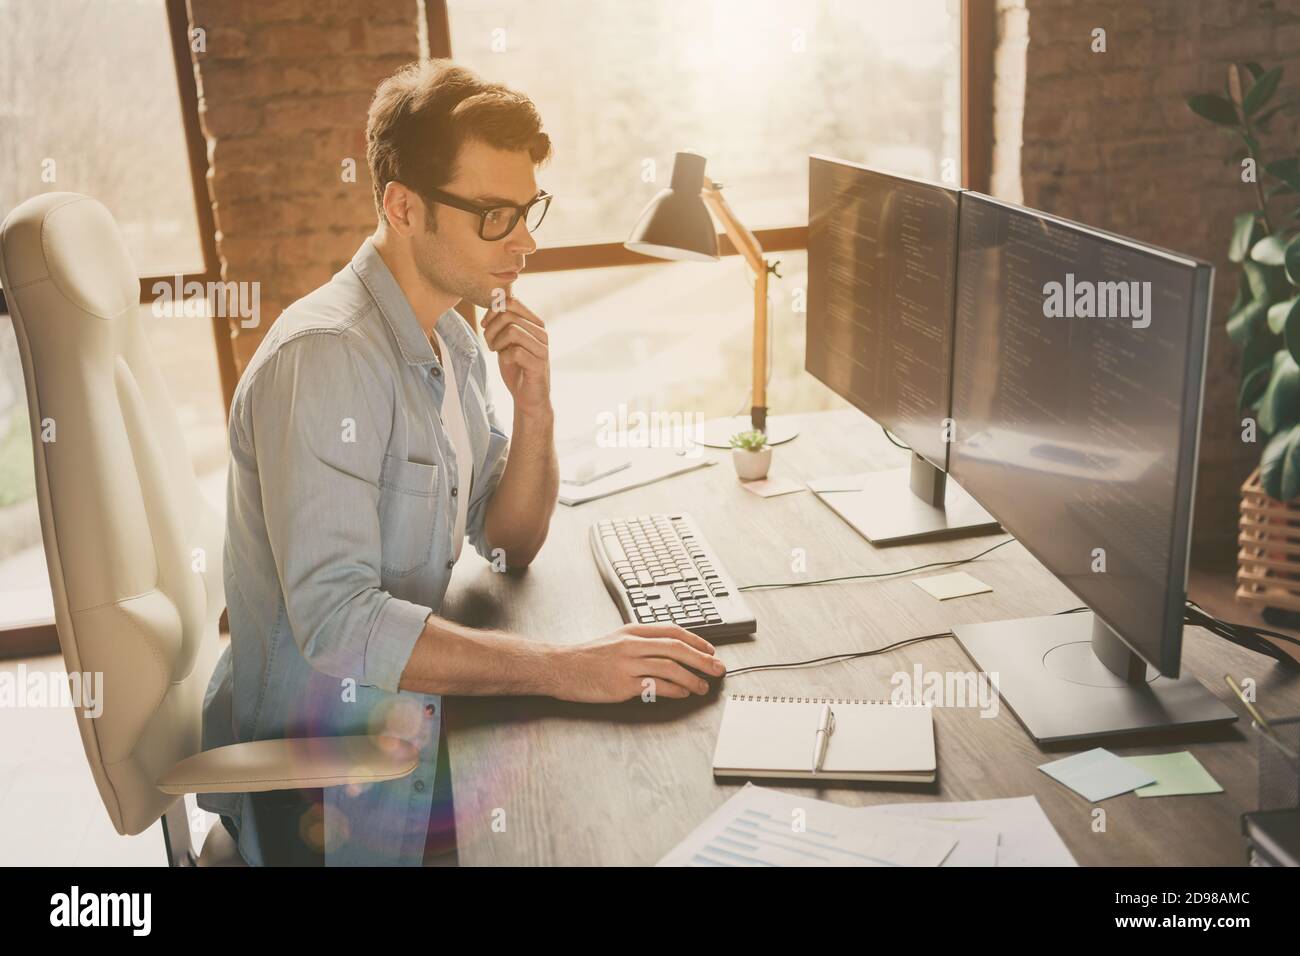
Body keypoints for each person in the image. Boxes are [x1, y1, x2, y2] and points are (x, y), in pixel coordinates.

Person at [198, 59, 725, 866]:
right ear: (402, 207)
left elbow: (507, 539)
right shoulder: (328, 360)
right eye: (494, 216)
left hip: (402, 713)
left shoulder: (451, 334)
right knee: (615, 809)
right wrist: (565, 668)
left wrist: (536, 406)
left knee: (639, 762)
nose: (527, 240)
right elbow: (340, 627)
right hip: (330, 778)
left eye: (528, 210)